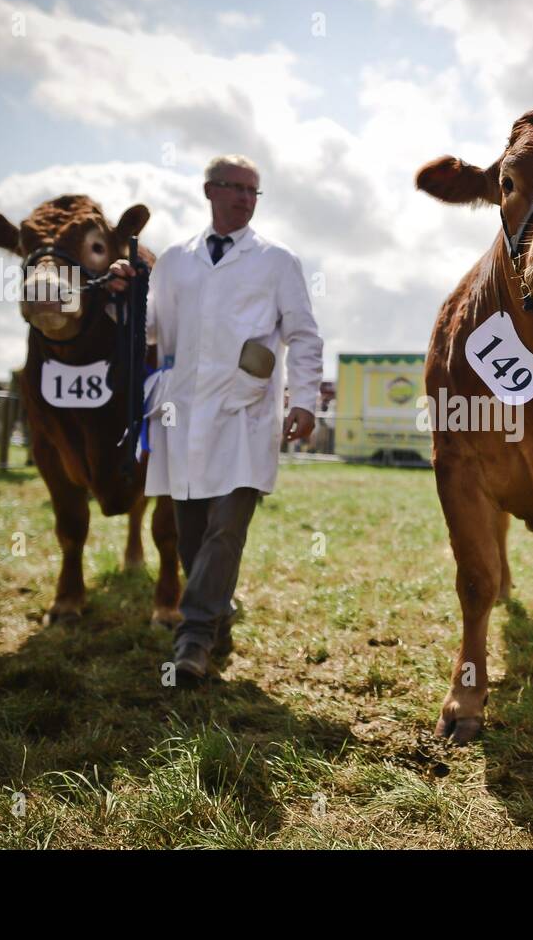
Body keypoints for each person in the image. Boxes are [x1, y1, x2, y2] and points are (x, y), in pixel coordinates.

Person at [109, 154, 324, 686]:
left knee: (226, 529)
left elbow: (303, 334)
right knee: (191, 534)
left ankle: (194, 638)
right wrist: (127, 290)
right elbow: (151, 330)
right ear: (210, 190)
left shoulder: (277, 261)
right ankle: (218, 617)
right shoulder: (176, 262)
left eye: (254, 191)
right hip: (181, 413)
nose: (245, 199)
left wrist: (303, 400)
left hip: (245, 412)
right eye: (235, 188)